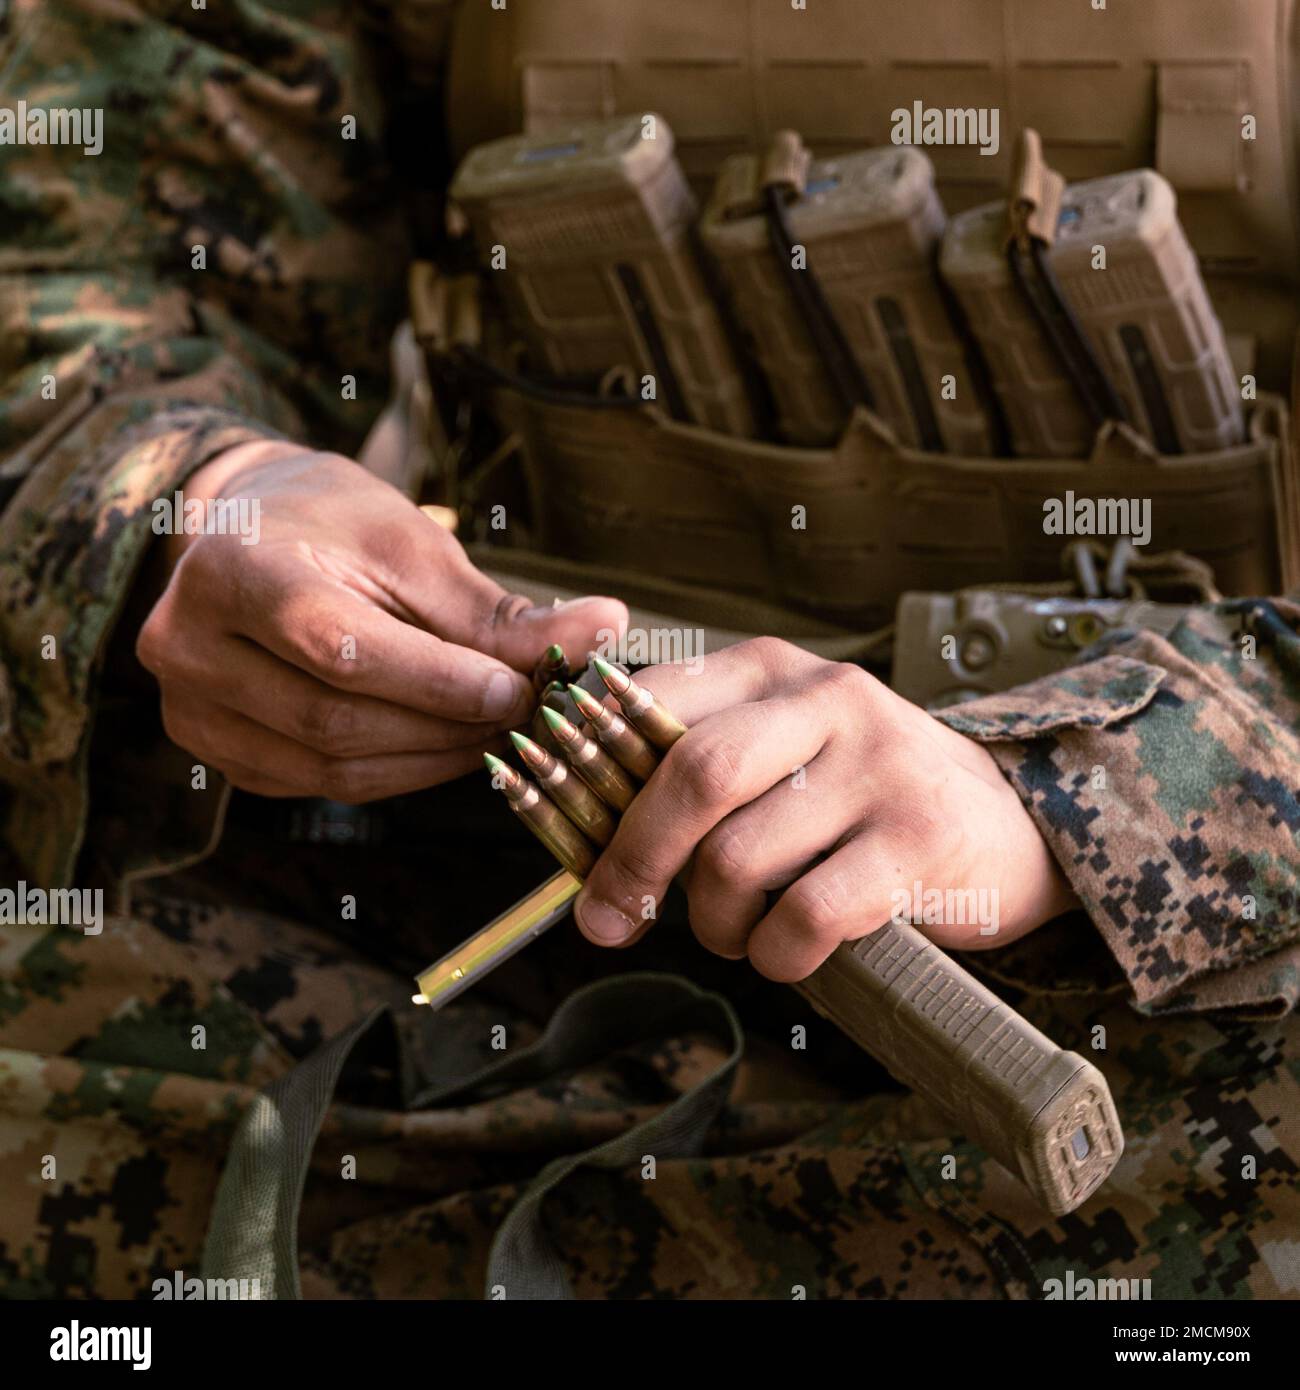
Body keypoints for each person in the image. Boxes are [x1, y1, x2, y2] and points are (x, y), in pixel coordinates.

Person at [1, 0, 1296, 1300]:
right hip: (475, 854)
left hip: (1169, 983)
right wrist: (191, 485)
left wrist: (1077, 781)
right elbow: (91, 249)